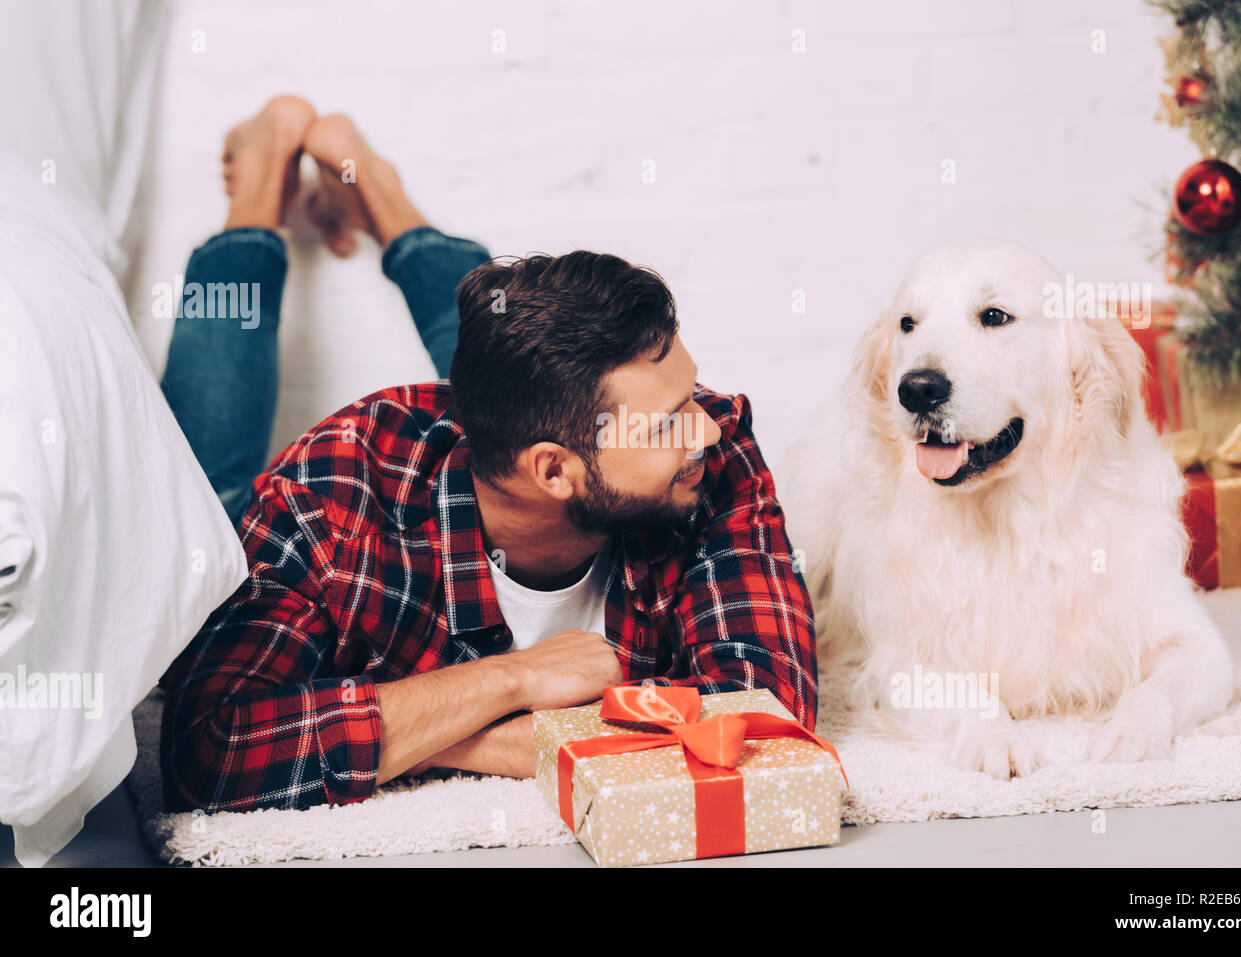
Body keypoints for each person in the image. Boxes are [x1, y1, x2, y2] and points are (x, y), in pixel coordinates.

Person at [158, 96, 817, 814]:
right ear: (554, 471)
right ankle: (261, 183)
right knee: (201, 493)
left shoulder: (702, 445)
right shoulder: (327, 500)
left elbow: (762, 715)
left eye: (691, 396)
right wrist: (514, 681)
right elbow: (209, 752)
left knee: (506, 336)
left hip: (525, 440)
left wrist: (438, 735)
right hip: (363, 493)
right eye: (666, 425)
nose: (710, 430)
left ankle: (380, 192)